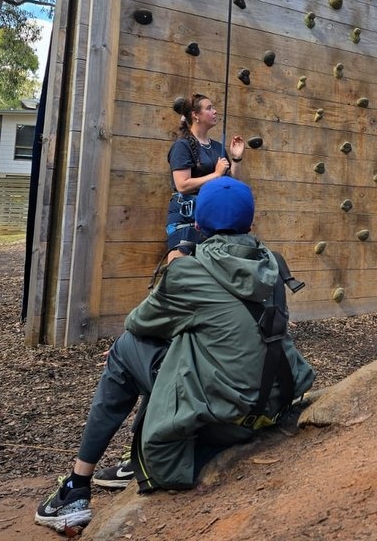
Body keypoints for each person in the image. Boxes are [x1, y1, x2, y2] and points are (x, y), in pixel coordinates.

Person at [35, 177, 315, 533]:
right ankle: (129, 462)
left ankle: (76, 488)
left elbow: (138, 322)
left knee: (125, 349)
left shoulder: (190, 270)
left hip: (222, 421)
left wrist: (176, 269)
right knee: (180, 346)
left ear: (197, 224)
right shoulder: (271, 264)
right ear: (250, 223)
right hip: (268, 408)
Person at [166, 93, 245, 252]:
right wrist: (216, 175)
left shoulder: (217, 148)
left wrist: (236, 159)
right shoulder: (182, 146)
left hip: (213, 220)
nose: (214, 111)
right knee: (183, 267)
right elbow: (182, 185)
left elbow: (231, 183)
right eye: (209, 108)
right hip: (186, 222)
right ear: (195, 115)